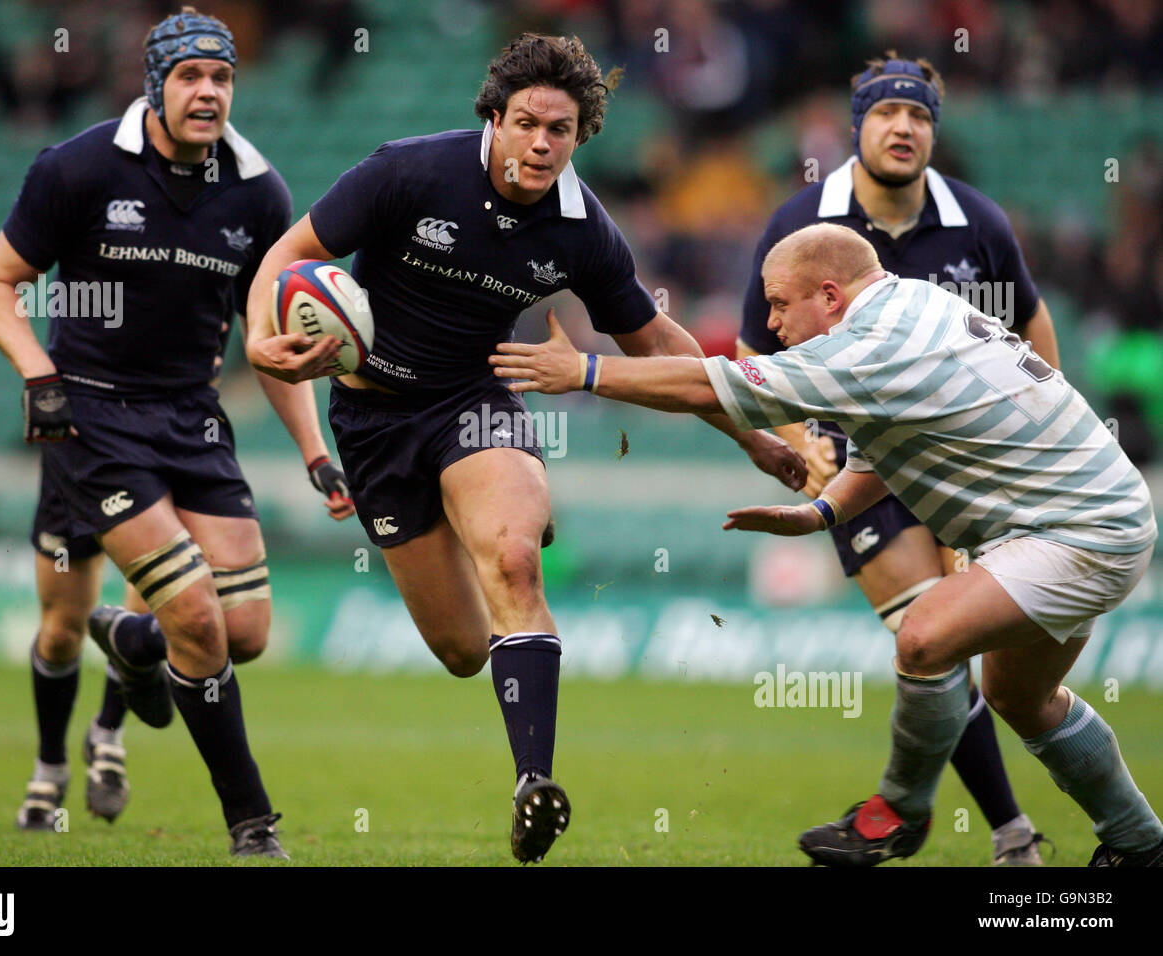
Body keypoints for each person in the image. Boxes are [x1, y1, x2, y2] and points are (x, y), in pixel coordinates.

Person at [243, 32, 806, 864]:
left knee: (513, 561)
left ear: (581, 136)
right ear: (495, 120)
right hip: (370, 421)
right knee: (465, 651)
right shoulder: (408, 171)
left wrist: (752, 436)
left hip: (477, 401)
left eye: (564, 129)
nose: (544, 143)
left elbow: (656, 343)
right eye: (530, 124)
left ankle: (532, 781)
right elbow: (289, 256)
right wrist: (261, 339)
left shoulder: (582, 228)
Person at [492, 222, 1162, 868]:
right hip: (1094, 515)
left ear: (830, 297)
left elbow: (710, 385)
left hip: (1080, 529)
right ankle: (1140, 843)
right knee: (1022, 698)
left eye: (781, 305)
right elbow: (882, 452)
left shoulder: (866, 344)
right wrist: (821, 513)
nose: (774, 325)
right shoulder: (914, 307)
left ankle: (899, 812)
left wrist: (584, 370)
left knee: (924, 637)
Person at [0, 6, 352, 858]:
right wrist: (40, 378)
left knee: (245, 632)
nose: (209, 92)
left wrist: (316, 454)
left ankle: (133, 640)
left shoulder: (259, 192)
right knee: (198, 620)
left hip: (192, 416)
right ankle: (251, 823)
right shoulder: (76, 169)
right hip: (94, 416)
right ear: (155, 84)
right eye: (191, 77)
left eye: (222, 78)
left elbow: (271, 342)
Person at [736, 53, 1060, 865]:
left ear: (933, 132)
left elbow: (1031, 328)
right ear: (859, 128)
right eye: (886, 113)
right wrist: (802, 443)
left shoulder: (977, 223)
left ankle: (984, 826)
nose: (903, 127)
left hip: (966, 467)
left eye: (918, 116)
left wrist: (1043, 428)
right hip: (864, 467)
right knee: (929, 634)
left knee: (969, 660)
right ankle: (1010, 833)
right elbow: (752, 346)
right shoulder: (807, 222)